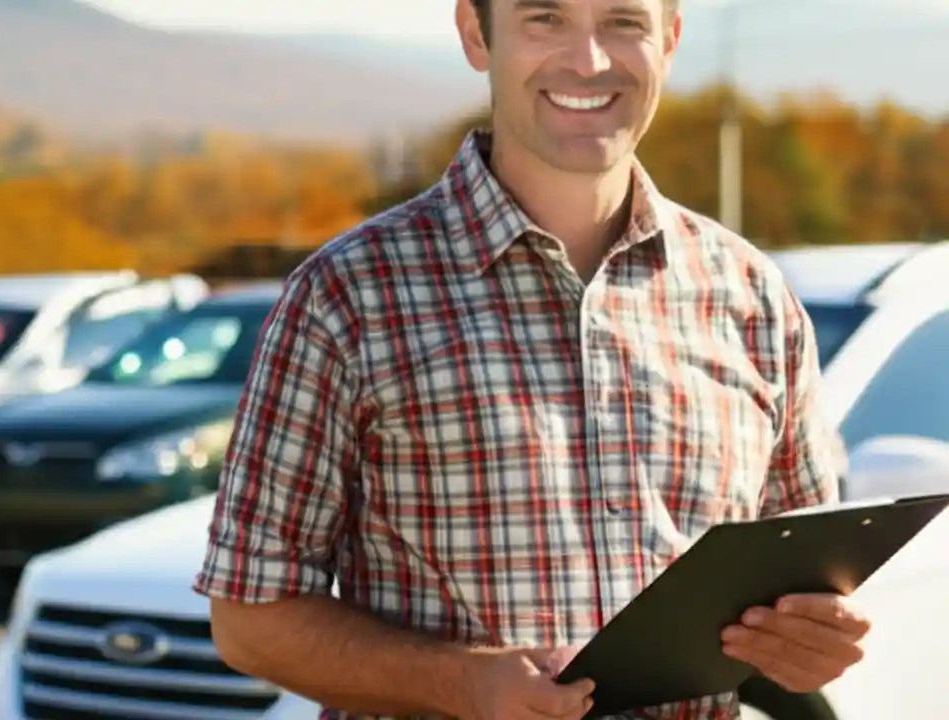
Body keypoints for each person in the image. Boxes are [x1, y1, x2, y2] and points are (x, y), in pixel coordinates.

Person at [193, 0, 872, 718]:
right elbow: (248, 620)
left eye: (623, 22)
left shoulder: (752, 296)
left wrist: (813, 639)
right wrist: (462, 684)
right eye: (544, 18)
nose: (589, 61)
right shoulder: (347, 297)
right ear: (474, 33)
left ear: (669, 39)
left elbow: (801, 589)